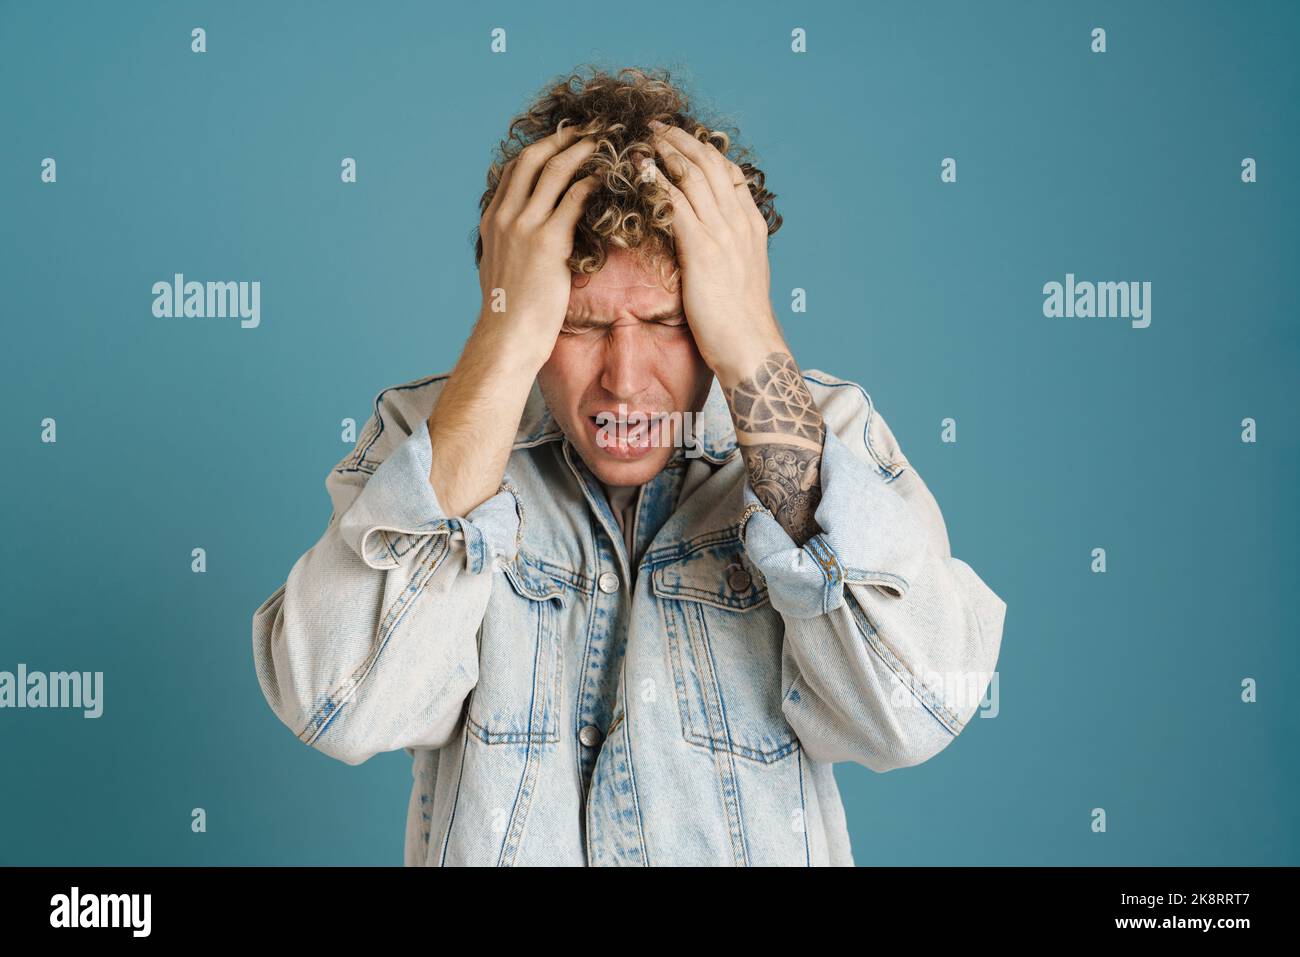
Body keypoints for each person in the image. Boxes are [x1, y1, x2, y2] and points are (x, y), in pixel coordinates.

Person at [251, 65, 1007, 866]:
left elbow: (919, 708)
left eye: (667, 320)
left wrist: (752, 344)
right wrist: (505, 341)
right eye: (578, 324)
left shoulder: (829, 435)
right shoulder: (428, 438)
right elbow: (338, 702)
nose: (623, 377)